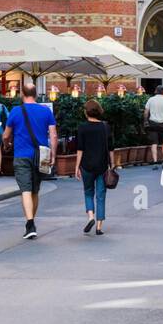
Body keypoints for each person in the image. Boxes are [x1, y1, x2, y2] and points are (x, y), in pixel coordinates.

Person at [3, 83, 57, 239]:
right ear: (36, 94)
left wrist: (7, 145)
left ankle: (30, 223)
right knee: (35, 190)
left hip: (21, 155)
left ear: (22, 94)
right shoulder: (46, 111)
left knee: (25, 190)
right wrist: (53, 154)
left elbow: (6, 135)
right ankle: (31, 222)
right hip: (41, 156)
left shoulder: (15, 111)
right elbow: (53, 135)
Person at [75, 99, 115, 235]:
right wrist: (113, 164)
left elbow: (80, 149)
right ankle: (99, 226)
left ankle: (90, 216)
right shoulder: (105, 127)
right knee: (101, 195)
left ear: (86, 112)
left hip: (86, 165)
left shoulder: (82, 127)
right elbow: (111, 148)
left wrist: (76, 167)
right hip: (102, 165)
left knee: (88, 192)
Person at [143, 85, 163, 168]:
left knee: (154, 143)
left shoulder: (150, 100)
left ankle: (155, 162)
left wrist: (145, 121)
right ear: (162, 92)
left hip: (152, 124)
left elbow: (146, 112)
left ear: (155, 91)